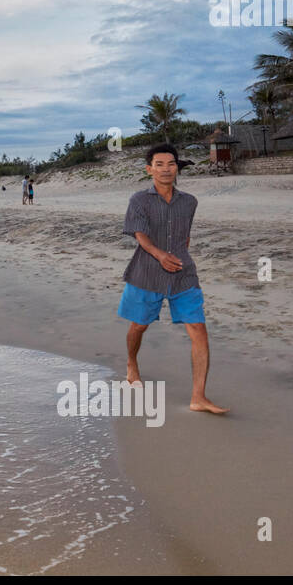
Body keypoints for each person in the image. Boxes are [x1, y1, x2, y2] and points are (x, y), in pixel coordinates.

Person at [118, 144, 228, 414]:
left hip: (182, 273)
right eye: (159, 164)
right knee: (139, 327)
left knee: (199, 331)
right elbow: (139, 234)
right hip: (146, 272)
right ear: (149, 169)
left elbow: (185, 236)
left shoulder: (189, 202)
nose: (166, 169)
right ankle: (132, 364)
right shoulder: (139, 200)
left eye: (170, 164)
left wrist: (177, 258)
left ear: (177, 167)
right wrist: (159, 255)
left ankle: (198, 397)